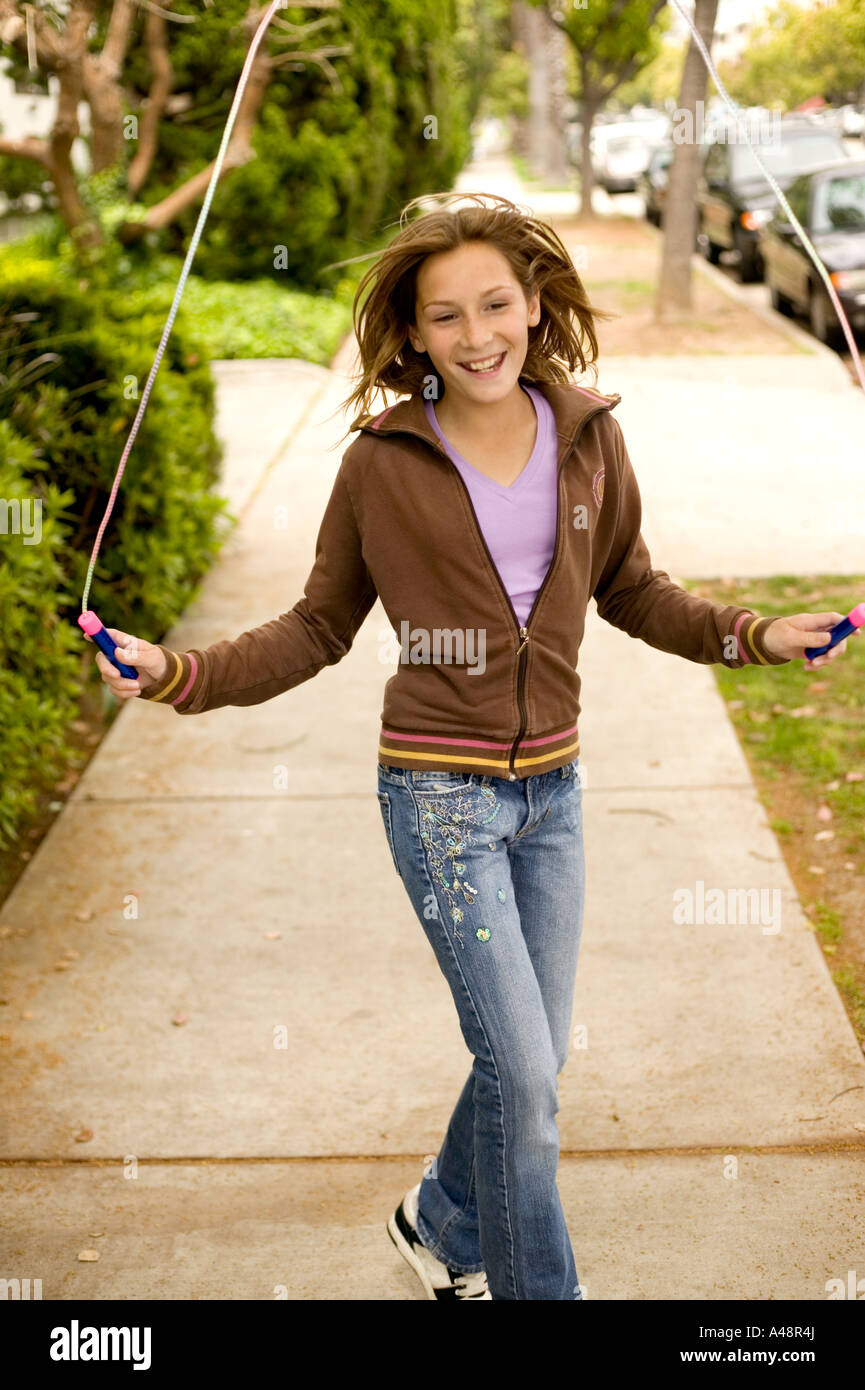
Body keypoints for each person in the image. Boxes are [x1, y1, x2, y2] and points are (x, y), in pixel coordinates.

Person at [89, 192, 853, 1301]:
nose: (476, 334)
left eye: (496, 304)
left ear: (535, 305)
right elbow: (317, 626)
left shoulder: (590, 435)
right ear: (412, 331)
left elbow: (634, 589)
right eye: (444, 315)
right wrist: (180, 673)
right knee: (526, 1077)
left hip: (554, 794)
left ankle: (442, 1220)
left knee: (529, 1060)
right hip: (438, 800)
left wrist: (752, 634)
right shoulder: (382, 462)